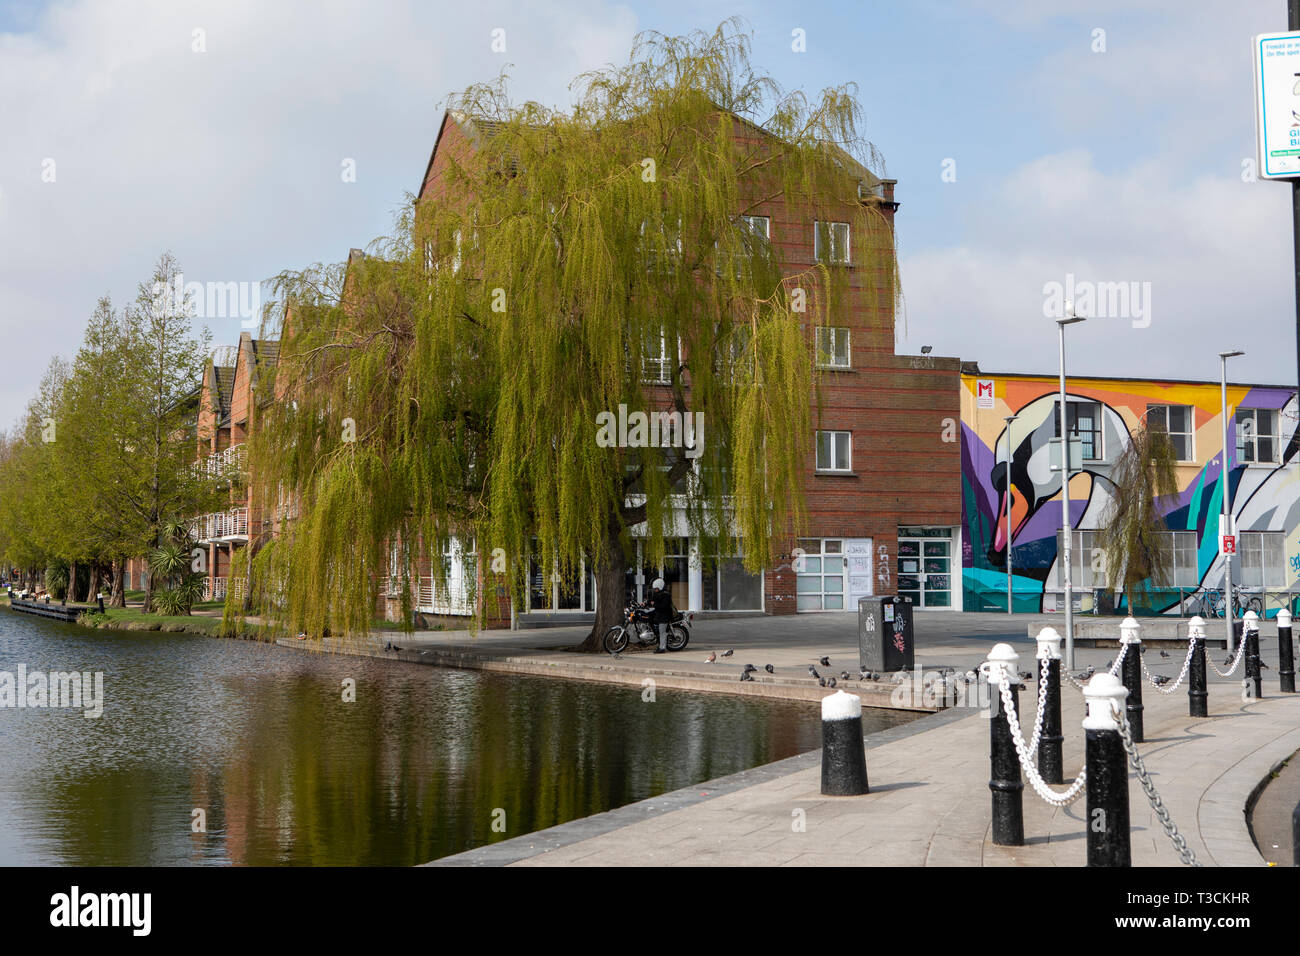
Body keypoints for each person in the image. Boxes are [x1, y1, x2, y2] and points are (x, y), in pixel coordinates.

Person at [649, 577, 675, 653]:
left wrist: (655, 604)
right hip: (659, 615)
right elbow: (652, 601)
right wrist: (645, 603)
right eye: (654, 589)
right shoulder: (657, 594)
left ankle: (662, 648)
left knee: (662, 632)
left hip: (664, 616)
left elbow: (664, 606)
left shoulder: (666, 595)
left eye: (656, 588)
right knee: (659, 630)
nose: (655, 590)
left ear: (660, 587)